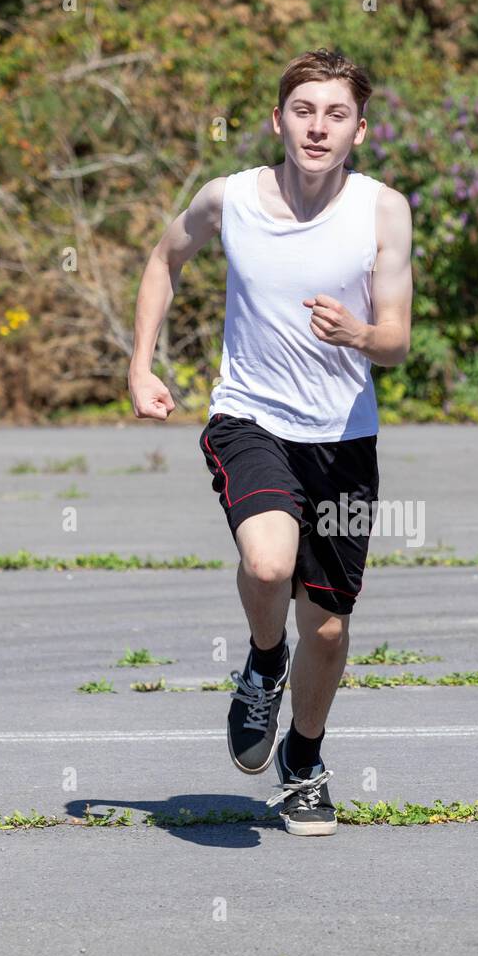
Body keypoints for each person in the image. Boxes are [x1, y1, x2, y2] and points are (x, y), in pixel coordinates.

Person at [128, 48, 413, 835]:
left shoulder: (383, 210)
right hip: (248, 418)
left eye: (336, 115)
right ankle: (262, 661)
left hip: (343, 441)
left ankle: (305, 759)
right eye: (304, 111)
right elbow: (164, 258)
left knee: (325, 624)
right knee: (268, 561)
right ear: (277, 119)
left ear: (359, 129)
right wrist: (141, 364)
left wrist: (358, 332)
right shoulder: (230, 200)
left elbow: (396, 341)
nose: (318, 128)